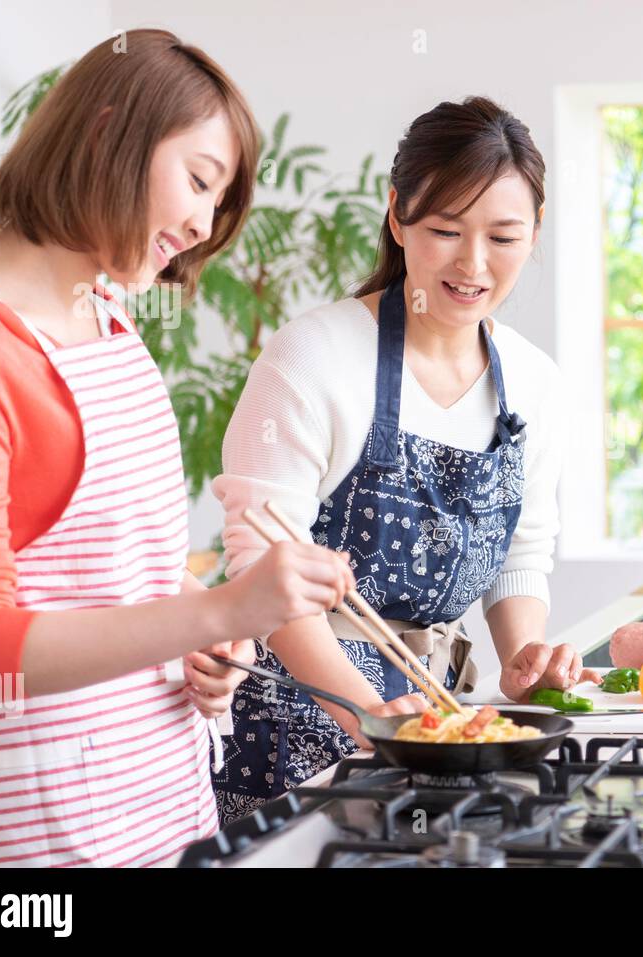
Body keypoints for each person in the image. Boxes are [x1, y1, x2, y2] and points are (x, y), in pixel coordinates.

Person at [0, 30, 354, 867]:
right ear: (105, 133)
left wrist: (208, 638)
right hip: (35, 846)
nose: (200, 225)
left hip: (160, 809)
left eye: (216, 200)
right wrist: (221, 608)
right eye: (198, 181)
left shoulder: (111, 324)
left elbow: (114, 572)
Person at [211, 96, 593, 822]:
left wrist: (524, 656)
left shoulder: (536, 383)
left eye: (504, 236)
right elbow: (260, 569)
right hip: (298, 720)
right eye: (446, 229)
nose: (473, 264)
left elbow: (521, 554)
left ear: (536, 232)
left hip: (434, 724)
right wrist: (377, 720)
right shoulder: (312, 358)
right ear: (397, 215)